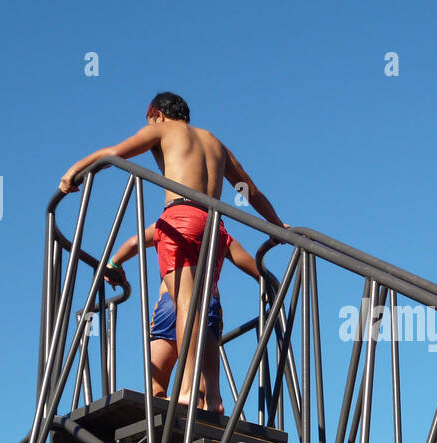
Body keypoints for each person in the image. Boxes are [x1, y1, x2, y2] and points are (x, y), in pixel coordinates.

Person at [60, 92, 284, 407]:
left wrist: (74, 170)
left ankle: (189, 389)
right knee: (202, 307)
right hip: (214, 228)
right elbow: (251, 190)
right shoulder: (214, 142)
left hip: (181, 219)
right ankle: (214, 396)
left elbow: (114, 154)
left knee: (186, 303)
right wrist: (277, 225)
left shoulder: (162, 129)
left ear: (158, 115)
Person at [108, 224, 262, 411]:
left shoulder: (170, 222)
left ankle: (166, 417)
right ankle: (208, 404)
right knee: (200, 388)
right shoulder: (217, 231)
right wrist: (265, 283)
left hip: (171, 301)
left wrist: (114, 264)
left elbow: (134, 242)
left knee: (155, 388)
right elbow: (253, 267)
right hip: (207, 302)